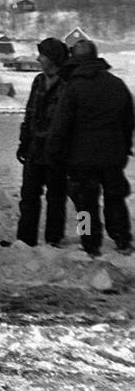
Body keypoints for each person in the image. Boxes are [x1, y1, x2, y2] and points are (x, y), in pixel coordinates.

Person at [48, 38, 134, 256]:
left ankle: (89, 243)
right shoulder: (117, 84)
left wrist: (55, 152)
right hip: (113, 155)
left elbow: (60, 125)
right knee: (115, 198)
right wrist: (123, 148)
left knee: (84, 205)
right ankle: (122, 239)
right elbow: (129, 121)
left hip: (80, 159)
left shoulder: (73, 88)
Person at [13, 38, 70, 246]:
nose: (38, 59)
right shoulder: (38, 80)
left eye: (43, 55)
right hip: (35, 150)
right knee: (28, 196)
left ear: (53, 59)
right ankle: (25, 240)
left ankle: (54, 240)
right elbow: (30, 113)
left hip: (57, 152)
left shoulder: (68, 84)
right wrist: (24, 141)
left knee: (56, 198)